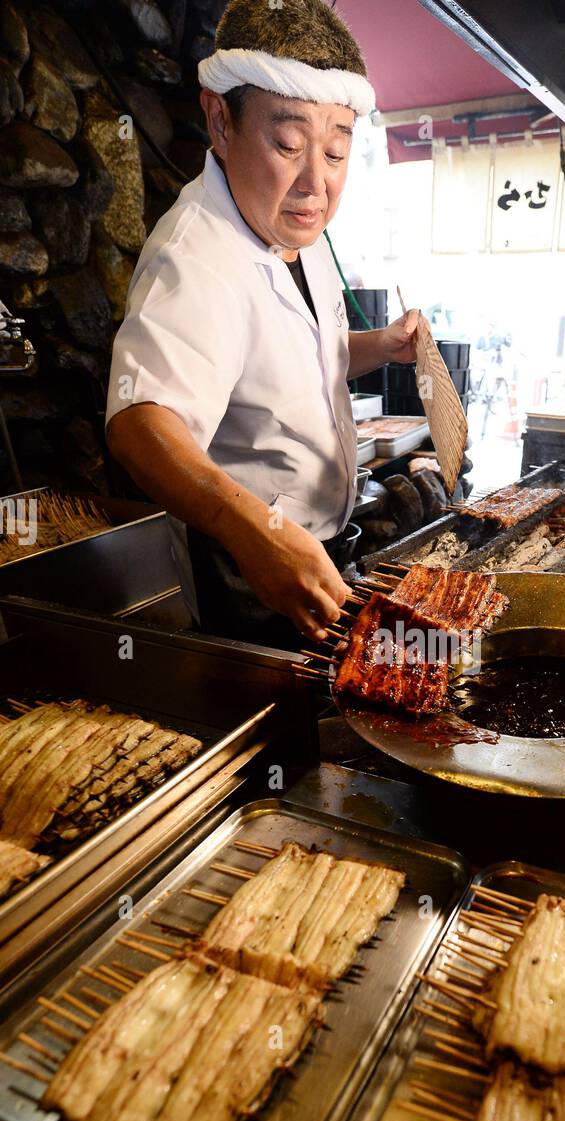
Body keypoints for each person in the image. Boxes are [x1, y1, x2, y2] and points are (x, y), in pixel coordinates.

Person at [105, 0, 418, 647]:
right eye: (288, 144)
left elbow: (303, 355)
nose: (315, 183)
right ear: (221, 121)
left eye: (335, 152)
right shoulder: (196, 258)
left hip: (317, 534)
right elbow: (140, 422)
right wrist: (258, 534)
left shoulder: (293, 232)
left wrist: (379, 347)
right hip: (242, 565)